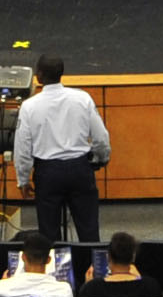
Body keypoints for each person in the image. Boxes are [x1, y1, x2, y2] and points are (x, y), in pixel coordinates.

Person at [14, 53, 113, 247]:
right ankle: (90, 272)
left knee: (49, 236)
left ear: (38, 76)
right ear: (62, 73)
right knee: (89, 230)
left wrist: (23, 179)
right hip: (80, 169)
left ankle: (55, 276)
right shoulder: (82, 98)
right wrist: (101, 159)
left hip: (47, 173)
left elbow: (23, 148)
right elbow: (101, 137)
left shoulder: (29, 106)